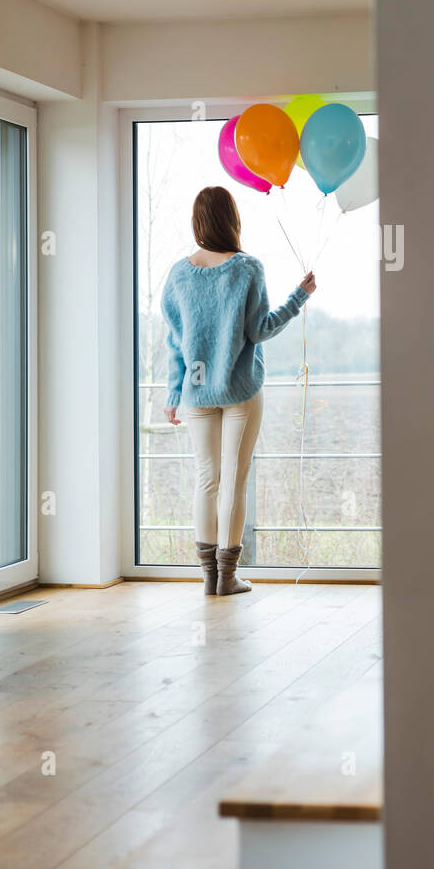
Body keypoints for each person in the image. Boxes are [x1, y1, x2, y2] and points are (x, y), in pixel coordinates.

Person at [161, 185, 315, 595]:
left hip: (195, 394)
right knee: (233, 481)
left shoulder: (178, 275)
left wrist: (174, 393)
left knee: (205, 479)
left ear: (197, 222)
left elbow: (175, 342)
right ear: (232, 220)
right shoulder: (247, 269)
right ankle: (227, 577)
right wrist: (299, 297)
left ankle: (208, 577)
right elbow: (260, 330)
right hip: (240, 389)